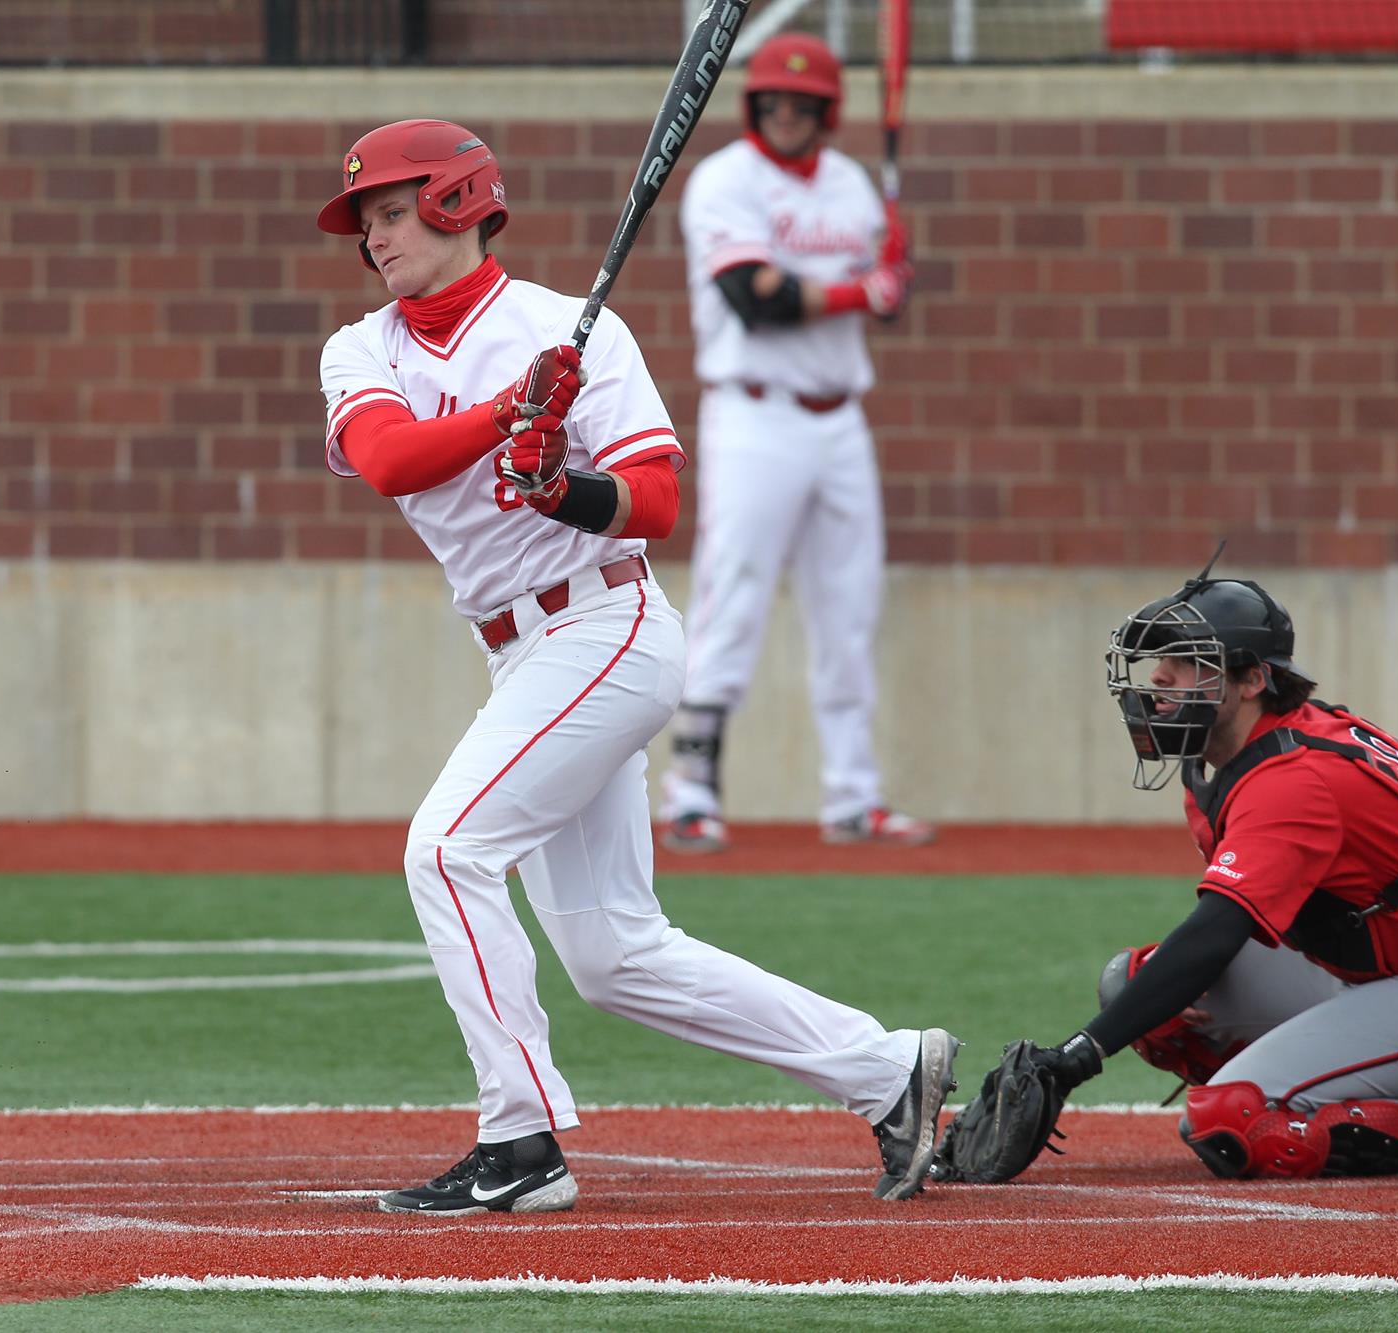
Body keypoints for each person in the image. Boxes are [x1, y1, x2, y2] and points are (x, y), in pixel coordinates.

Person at [314, 118, 956, 1214]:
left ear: (459, 200)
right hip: (518, 654)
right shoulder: (359, 348)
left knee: (447, 851)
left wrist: (559, 487)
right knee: (613, 954)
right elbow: (386, 459)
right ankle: (887, 1070)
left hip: (604, 627)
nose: (374, 237)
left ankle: (518, 1143)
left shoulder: (570, 328)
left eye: (389, 210)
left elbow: (653, 501)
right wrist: (505, 416)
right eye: (364, 221)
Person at [1006, 556, 1398, 1178]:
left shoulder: (1292, 777)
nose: (1159, 678)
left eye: (1188, 662)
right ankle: (1320, 1081)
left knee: (1235, 1122)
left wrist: (1076, 1056)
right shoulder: (1227, 758)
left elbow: (1219, 930)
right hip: (1387, 969)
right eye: (1161, 660)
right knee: (1139, 988)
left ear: (1253, 679)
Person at [660, 31, 931, 854]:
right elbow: (756, 297)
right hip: (752, 412)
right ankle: (690, 790)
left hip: (840, 415)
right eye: (774, 100)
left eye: (803, 104)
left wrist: (891, 280)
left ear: (826, 112)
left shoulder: (852, 186)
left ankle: (853, 796)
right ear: (754, 105)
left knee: (850, 609)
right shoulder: (725, 182)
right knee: (732, 594)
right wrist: (863, 288)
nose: (787, 113)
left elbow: (876, 291)